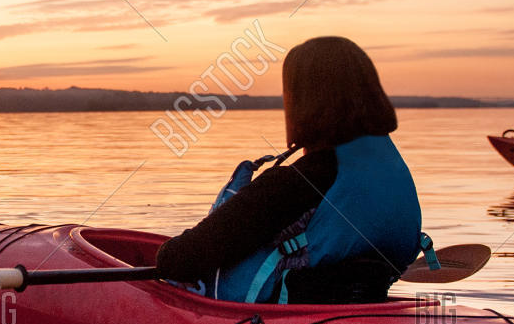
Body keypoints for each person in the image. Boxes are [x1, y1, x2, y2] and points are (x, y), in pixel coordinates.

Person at [155, 36, 422, 305]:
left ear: (302, 102)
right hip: (370, 311)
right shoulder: (390, 172)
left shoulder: (296, 184)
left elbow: (180, 260)